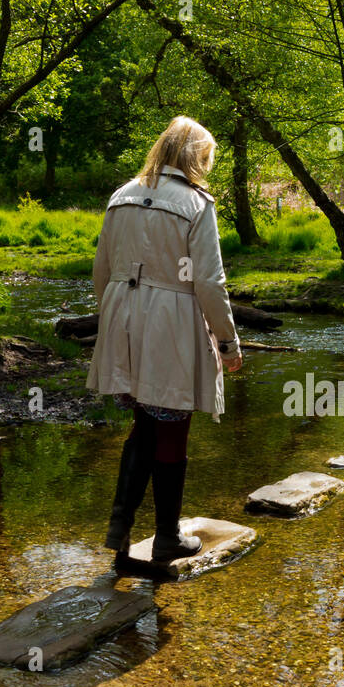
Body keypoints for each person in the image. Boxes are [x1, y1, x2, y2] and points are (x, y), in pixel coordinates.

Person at [87, 116, 242, 567]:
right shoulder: (196, 204)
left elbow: (101, 268)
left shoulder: (122, 196)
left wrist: (112, 318)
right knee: (171, 428)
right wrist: (228, 345)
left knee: (144, 424)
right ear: (196, 157)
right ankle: (167, 538)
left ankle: (119, 532)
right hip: (170, 323)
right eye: (207, 159)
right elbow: (210, 283)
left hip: (123, 319)